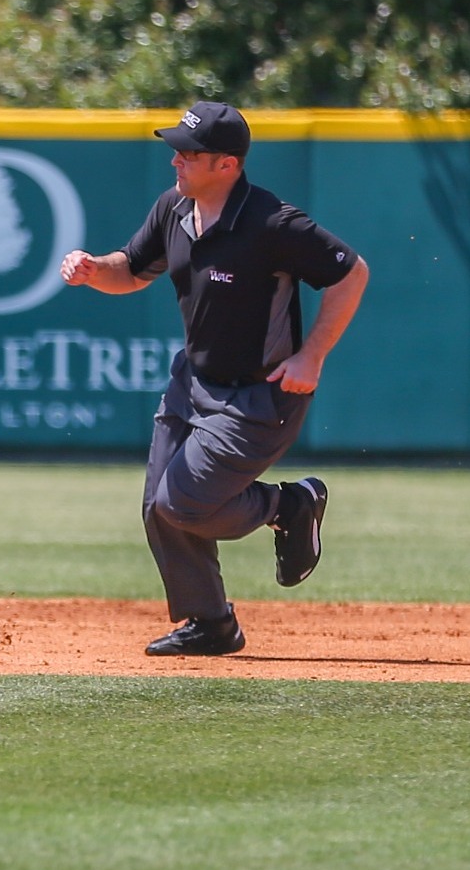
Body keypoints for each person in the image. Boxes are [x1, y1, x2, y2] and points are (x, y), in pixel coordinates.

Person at [59, 100, 368, 656]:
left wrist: (312, 356)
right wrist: (92, 269)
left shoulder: (272, 223)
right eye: (176, 149)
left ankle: (288, 507)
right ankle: (211, 623)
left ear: (227, 164)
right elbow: (131, 270)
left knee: (182, 505)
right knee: (158, 508)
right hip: (192, 383)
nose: (175, 159)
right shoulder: (175, 208)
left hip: (260, 395)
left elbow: (351, 273)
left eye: (188, 152)